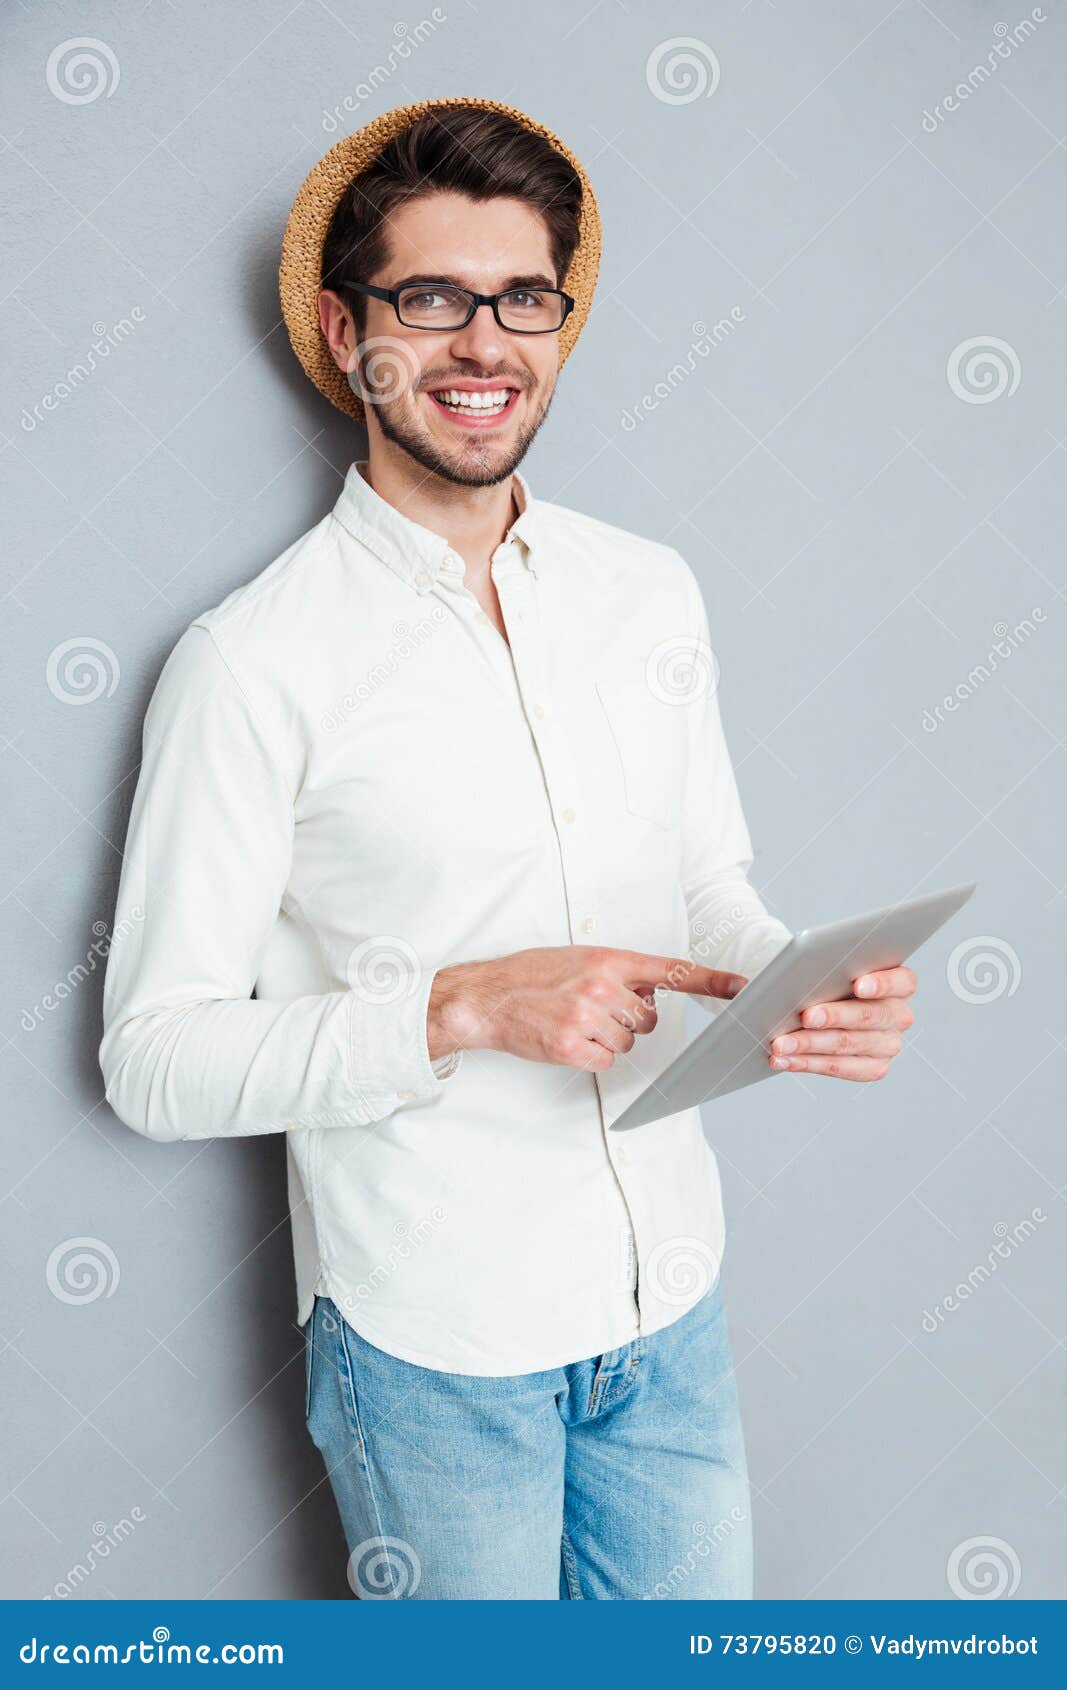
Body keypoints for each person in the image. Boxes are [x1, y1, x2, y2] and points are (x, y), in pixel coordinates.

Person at [99, 99, 916, 1601]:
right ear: (349, 335)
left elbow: (706, 887)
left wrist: (795, 984)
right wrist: (461, 1005)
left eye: (525, 300)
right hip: (434, 1343)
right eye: (433, 301)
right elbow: (154, 1058)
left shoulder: (647, 591)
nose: (487, 345)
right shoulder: (252, 662)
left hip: (667, 1302)